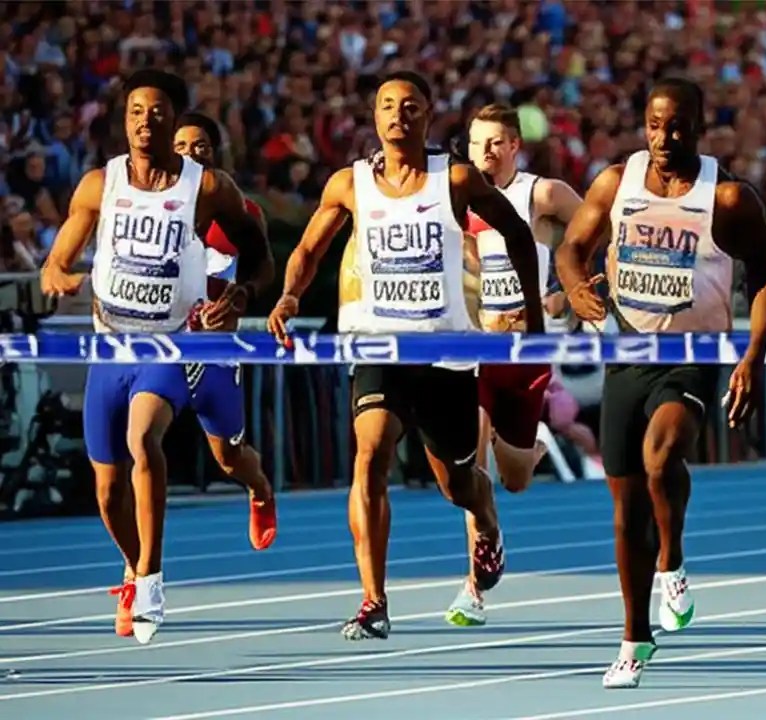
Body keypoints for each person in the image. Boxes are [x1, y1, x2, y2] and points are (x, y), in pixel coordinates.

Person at [266, 71, 545, 641]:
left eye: (411, 106)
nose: (399, 115)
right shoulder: (350, 184)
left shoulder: (456, 178)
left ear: (428, 115)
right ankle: (373, 599)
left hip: (445, 356)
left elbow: (517, 233)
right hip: (379, 346)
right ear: (375, 117)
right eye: (388, 105)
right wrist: (290, 295)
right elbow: (309, 248)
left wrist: (536, 319)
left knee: (458, 485)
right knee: (370, 454)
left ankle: (486, 520)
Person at [555, 77, 766, 689]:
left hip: (693, 356)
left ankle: (671, 557)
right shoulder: (616, 183)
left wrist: (752, 357)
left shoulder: (727, 198)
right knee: (626, 510)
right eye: (655, 125)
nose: (664, 137)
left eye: (677, 125)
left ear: (699, 127)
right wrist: (575, 287)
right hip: (627, 356)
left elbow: (765, 276)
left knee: (662, 455)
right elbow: (572, 248)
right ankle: (634, 638)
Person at [39, 69, 273, 645]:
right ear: (125, 122)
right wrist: (58, 274)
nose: (147, 121)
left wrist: (241, 295)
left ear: (174, 119)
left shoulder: (207, 188)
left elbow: (260, 256)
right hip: (110, 345)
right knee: (105, 490)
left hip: (174, 343)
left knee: (148, 440)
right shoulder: (100, 184)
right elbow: (57, 258)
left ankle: (151, 579)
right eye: (136, 112)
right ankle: (132, 566)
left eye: (158, 111)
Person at [444, 103, 584, 628]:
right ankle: (474, 583)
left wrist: (567, 293)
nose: (484, 151)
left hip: (528, 353)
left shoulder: (541, 194)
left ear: (513, 146)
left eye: (495, 142)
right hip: (482, 347)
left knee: (516, 479)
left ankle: (535, 448)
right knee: (471, 459)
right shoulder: (459, 199)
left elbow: (599, 227)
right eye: (476, 142)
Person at [173, 111, 278, 552]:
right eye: (181, 146)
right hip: (164, 344)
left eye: (200, 146)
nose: (191, 154)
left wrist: (242, 294)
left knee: (229, 456)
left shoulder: (241, 210)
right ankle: (138, 571)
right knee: (139, 443)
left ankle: (260, 489)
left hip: (214, 347)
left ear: (215, 153)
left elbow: (263, 268)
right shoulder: (150, 204)